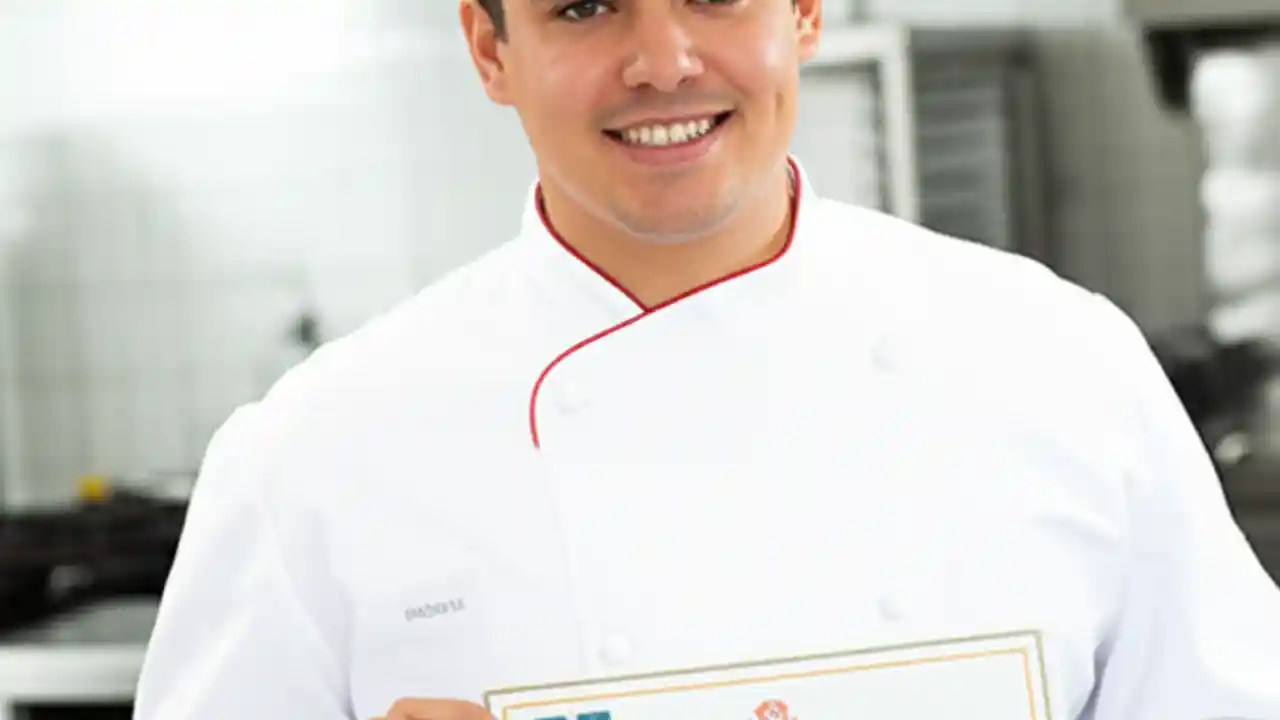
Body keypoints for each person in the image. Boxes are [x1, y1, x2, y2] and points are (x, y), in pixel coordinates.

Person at [133, 0, 1280, 718]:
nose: (662, 60)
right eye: (584, 8)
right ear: (488, 47)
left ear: (804, 11)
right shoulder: (312, 456)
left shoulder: (1062, 366)